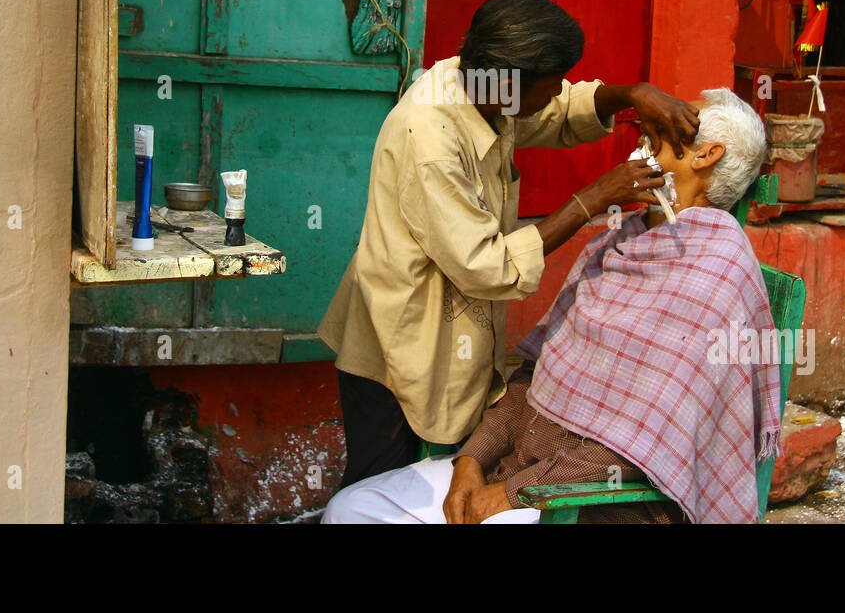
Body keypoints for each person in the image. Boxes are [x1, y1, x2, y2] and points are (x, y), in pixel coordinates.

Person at [322, 87, 781, 524]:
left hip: (587, 504)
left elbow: (642, 445)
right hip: (518, 467)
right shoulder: (620, 242)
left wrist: (511, 494)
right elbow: (532, 378)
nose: (652, 124)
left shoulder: (715, 271)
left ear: (707, 154)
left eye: (678, 118)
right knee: (354, 508)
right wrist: (471, 460)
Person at [318, 0, 700, 487]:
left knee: (434, 492)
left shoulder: (483, 89)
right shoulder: (430, 135)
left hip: (446, 341)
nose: (555, 94)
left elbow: (561, 113)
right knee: (380, 491)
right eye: (550, 85)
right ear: (508, 84)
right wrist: (592, 197)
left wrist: (630, 94)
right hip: (398, 345)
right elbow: (485, 266)